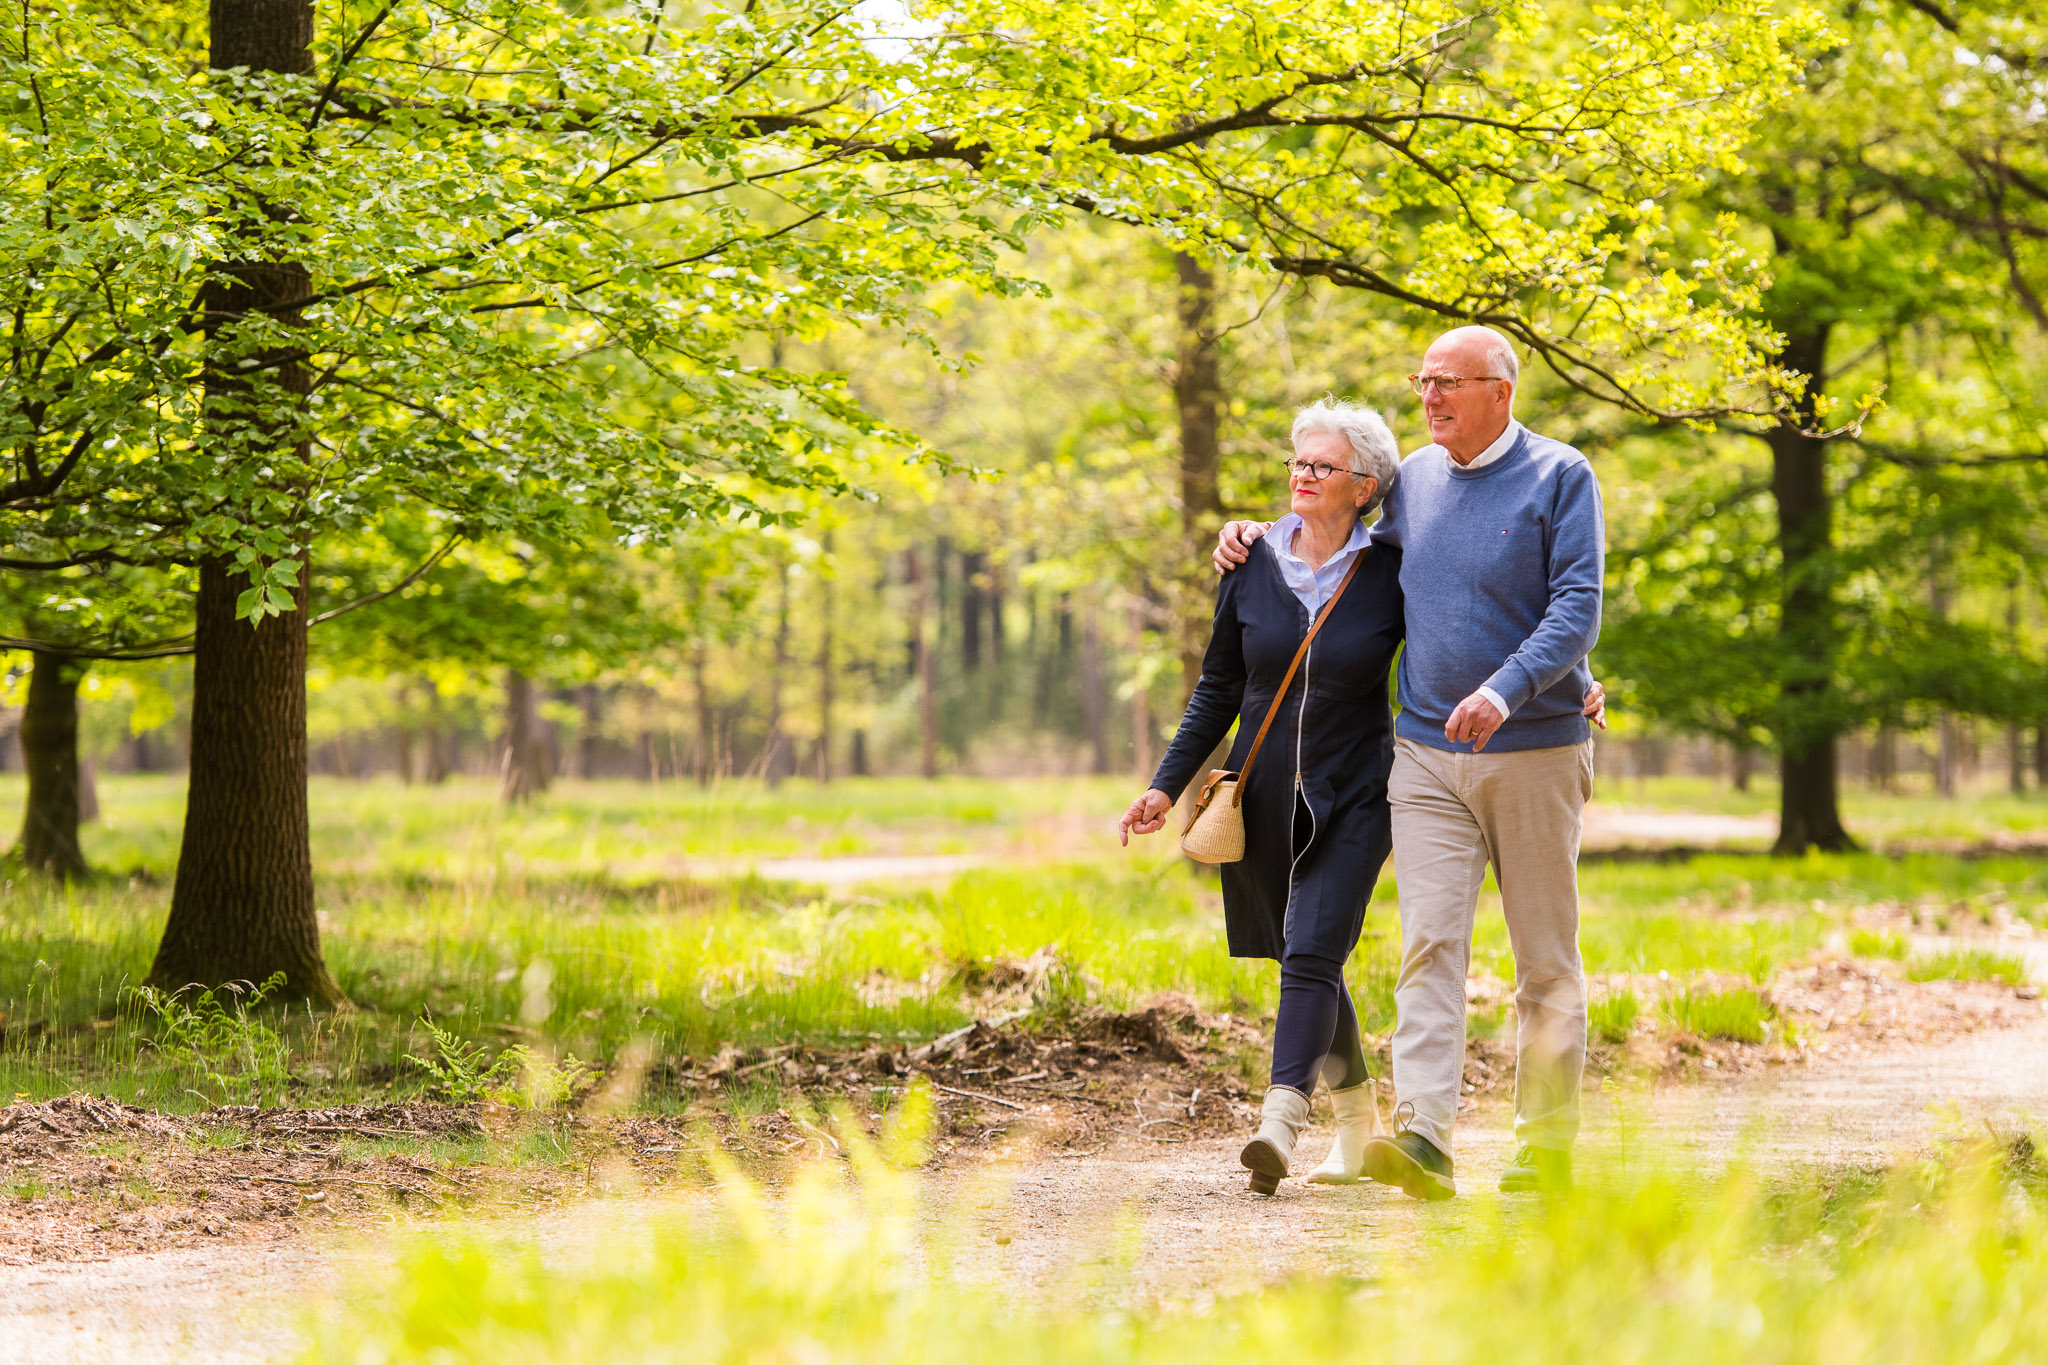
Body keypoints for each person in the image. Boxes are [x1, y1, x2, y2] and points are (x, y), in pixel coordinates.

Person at [1213, 325, 1604, 1199]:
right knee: (1428, 944)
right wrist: (1248, 536)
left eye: (1448, 383)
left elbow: (1577, 601)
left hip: (1533, 750)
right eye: (1423, 381)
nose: (1429, 398)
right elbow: (1330, 538)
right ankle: (1424, 1135)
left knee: (1544, 955)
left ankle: (1545, 1140)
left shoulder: (1561, 475)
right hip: (1425, 752)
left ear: (1500, 390)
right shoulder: (1415, 481)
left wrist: (1525, 686)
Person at [1121, 398, 1406, 1196]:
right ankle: (1357, 1130)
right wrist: (1163, 784)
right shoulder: (1249, 564)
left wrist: (1573, 682)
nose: (1303, 476)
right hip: (1260, 794)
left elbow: (1457, 643)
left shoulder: (1391, 571)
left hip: (1357, 794)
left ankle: (1279, 1120)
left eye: (1323, 466)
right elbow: (1219, 685)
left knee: (1314, 947)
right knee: (1302, 953)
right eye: (1299, 462)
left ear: (1366, 486)